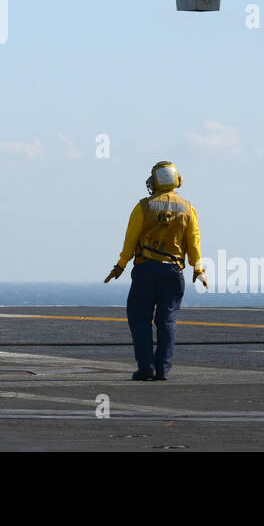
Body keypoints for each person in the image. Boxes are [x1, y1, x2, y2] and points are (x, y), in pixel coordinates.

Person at [104, 161, 208, 380]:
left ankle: (146, 367)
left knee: (139, 318)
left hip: (146, 271)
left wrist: (121, 265)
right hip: (173, 273)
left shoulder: (144, 206)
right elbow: (194, 241)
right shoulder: (188, 208)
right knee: (167, 320)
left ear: (155, 180)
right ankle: (163, 368)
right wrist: (198, 267)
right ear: (177, 180)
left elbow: (130, 240)